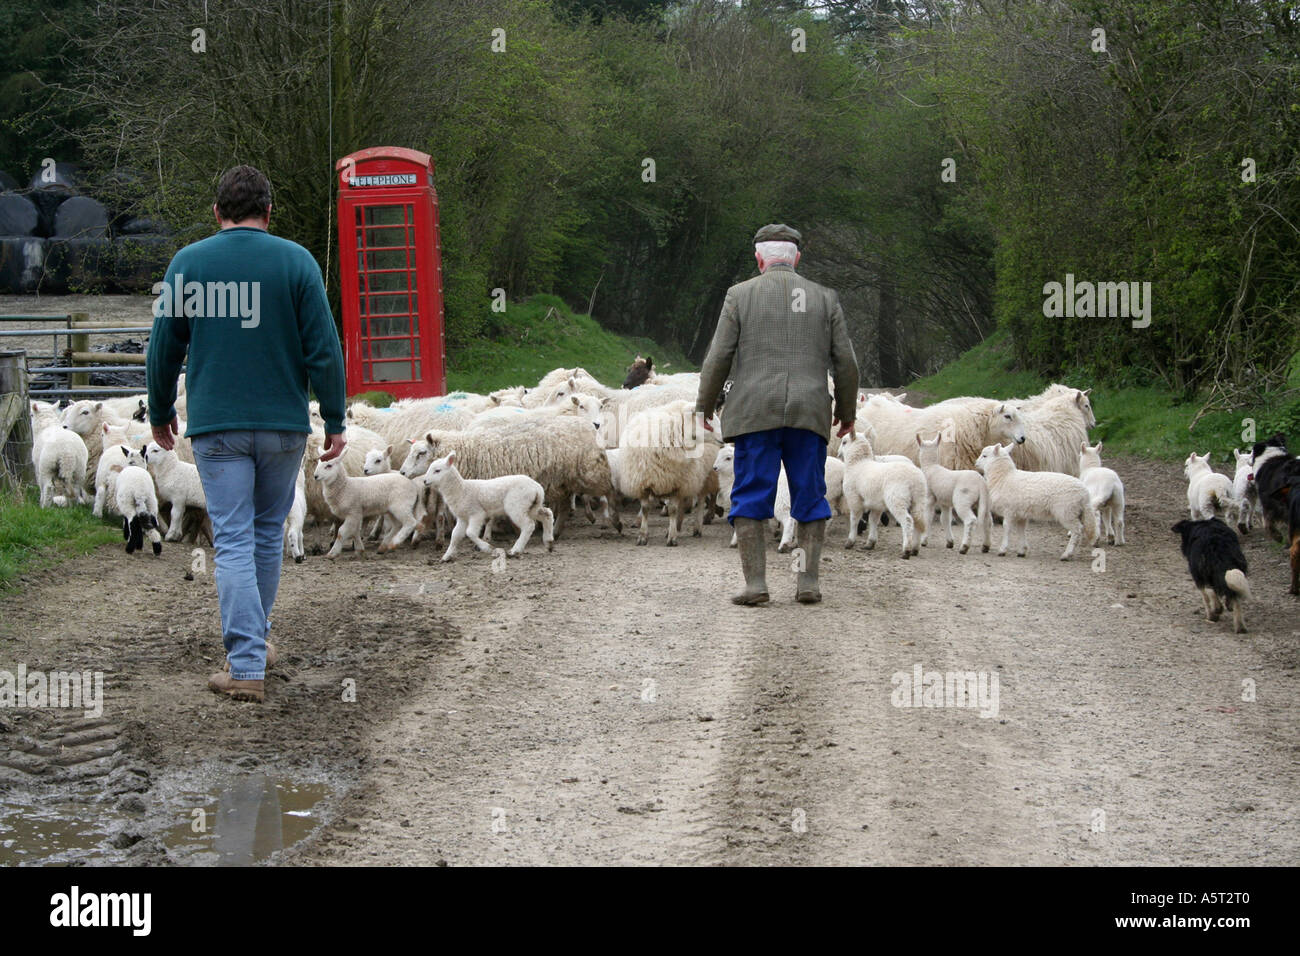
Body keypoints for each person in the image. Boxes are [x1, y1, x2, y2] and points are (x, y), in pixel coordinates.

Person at [147, 165, 347, 703]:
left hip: (217, 427)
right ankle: (254, 646)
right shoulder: (298, 262)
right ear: (269, 211)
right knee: (263, 536)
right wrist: (335, 419)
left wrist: (161, 409)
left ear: (217, 213)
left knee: (232, 538)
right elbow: (325, 349)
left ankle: (245, 666)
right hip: (284, 426)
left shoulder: (188, 264)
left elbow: (163, 346)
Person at [696, 223, 859, 605]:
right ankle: (807, 582)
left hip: (755, 413)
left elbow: (718, 356)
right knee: (810, 494)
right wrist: (847, 411)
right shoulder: (825, 298)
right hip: (809, 412)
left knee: (751, 492)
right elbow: (846, 363)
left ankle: (756, 585)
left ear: (758, 259)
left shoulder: (739, 295)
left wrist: (703, 406)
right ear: (797, 258)